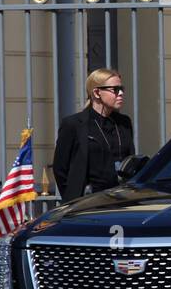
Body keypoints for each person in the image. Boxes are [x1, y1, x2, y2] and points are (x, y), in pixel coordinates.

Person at [52, 68, 135, 202]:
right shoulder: (74, 124)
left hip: (121, 199)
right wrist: (73, 197)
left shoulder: (123, 122)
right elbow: (60, 168)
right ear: (97, 93)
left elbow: (130, 159)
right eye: (114, 89)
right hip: (87, 201)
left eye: (121, 88)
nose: (120, 93)